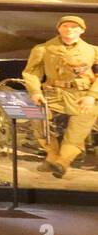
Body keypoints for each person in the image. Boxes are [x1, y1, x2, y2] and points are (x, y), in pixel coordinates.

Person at [23, 15, 98, 178]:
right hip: (52, 93)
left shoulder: (92, 50)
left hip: (81, 95)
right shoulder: (43, 49)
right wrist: (35, 92)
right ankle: (52, 155)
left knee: (80, 126)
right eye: (65, 26)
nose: (69, 30)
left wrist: (92, 95)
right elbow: (31, 72)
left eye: (74, 27)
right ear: (59, 28)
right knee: (33, 114)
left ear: (82, 30)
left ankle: (62, 162)